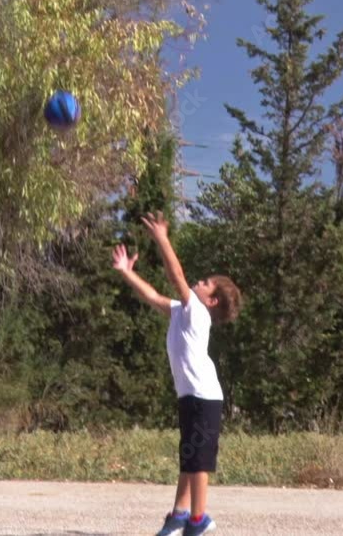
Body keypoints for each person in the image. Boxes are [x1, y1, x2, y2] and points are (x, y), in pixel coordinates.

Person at [112, 211, 242, 536]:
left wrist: (162, 238)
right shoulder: (183, 311)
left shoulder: (197, 312)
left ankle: (198, 520)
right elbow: (154, 295)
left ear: (211, 300)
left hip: (203, 396)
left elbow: (176, 276)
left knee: (198, 460)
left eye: (205, 283)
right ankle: (180, 515)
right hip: (192, 395)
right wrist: (128, 273)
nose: (198, 282)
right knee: (189, 456)